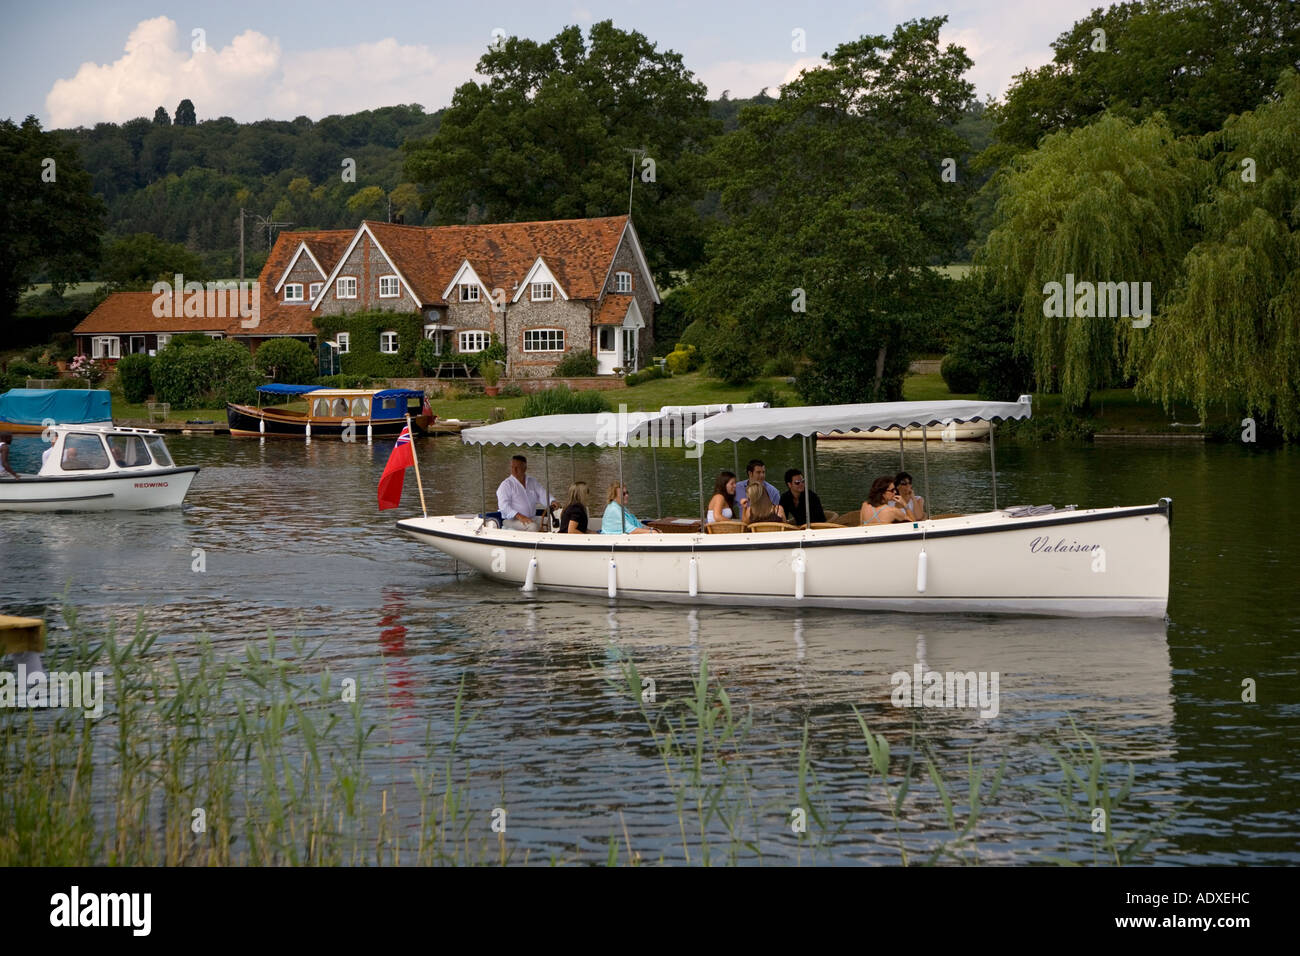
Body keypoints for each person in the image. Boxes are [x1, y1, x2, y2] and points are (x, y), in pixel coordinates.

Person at [496, 454, 555, 531]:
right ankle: (535, 542)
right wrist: (520, 516)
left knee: (551, 522)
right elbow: (503, 506)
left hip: (531, 517)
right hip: (512, 520)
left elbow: (542, 494)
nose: (514, 470)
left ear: (525, 468)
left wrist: (552, 501)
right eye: (512, 467)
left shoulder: (532, 481)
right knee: (533, 526)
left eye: (517, 467)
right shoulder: (506, 485)